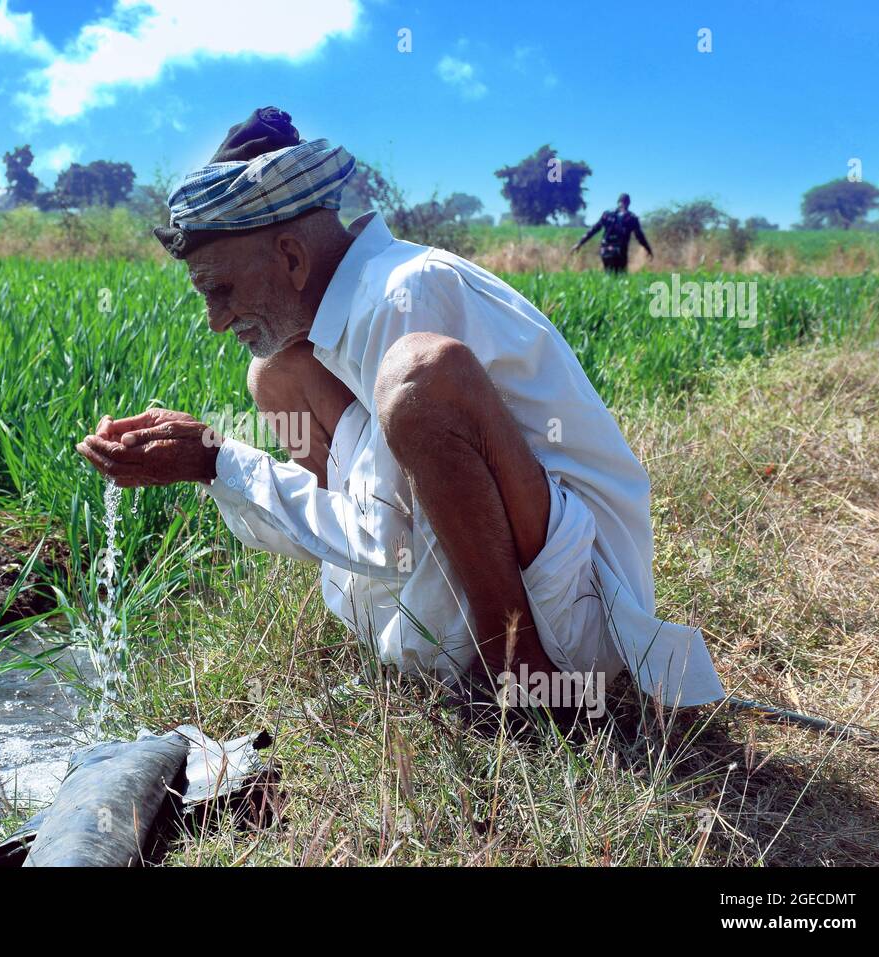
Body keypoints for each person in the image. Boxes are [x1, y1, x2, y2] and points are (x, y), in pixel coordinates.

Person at [76, 107, 722, 713]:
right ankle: (423, 634)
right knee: (276, 371)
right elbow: (380, 531)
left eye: (220, 289)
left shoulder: (403, 293)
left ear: (293, 257)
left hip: (574, 601)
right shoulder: (349, 309)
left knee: (420, 375)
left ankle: (516, 664)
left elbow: (386, 541)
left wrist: (216, 460)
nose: (217, 320)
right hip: (483, 549)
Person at [572, 194, 653, 272]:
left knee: (609, 275)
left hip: (605, 250)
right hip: (620, 251)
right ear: (628, 203)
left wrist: (579, 243)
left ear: (618, 202)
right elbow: (639, 236)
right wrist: (648, 249)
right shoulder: (631, 217)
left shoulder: (606, 214)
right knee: (620, 278)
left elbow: (594, 229)